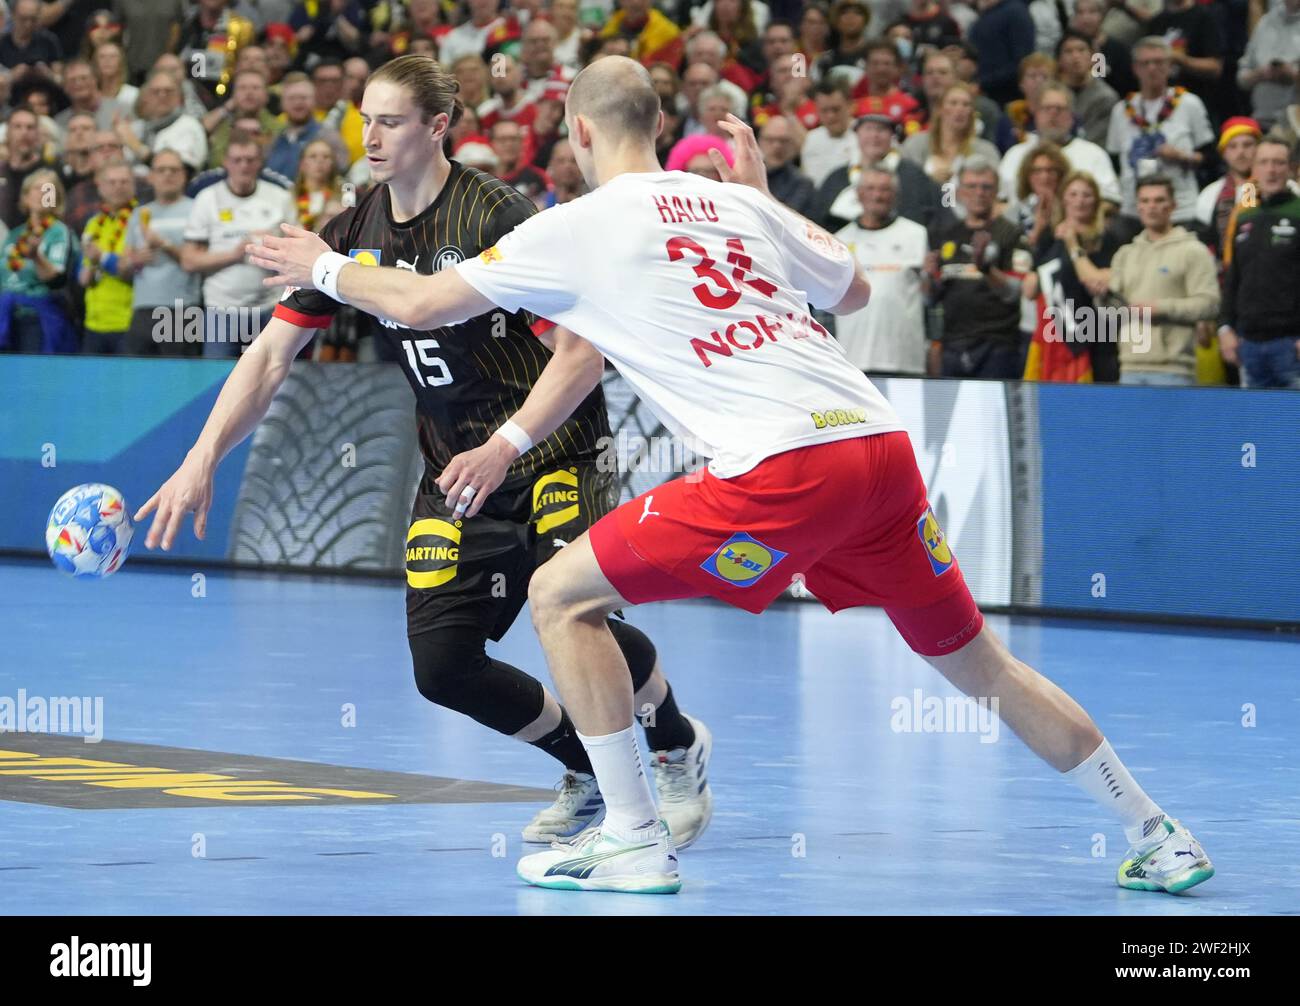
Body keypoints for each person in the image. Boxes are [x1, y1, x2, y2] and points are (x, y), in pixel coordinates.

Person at [251, 57, 1216, 898]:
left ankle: (633, 837)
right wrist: (761, 192)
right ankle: (1155, 833)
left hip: (784, 464)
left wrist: (326, 266)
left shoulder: (580, 224)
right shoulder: (740, 202)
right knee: (982, 667)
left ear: (581, 132)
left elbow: (421, 299)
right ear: (663, 129)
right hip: (879, 449)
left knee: (559, 594)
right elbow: (854, 288)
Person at [140, 55, 714, 850]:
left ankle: (674, 743)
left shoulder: (495, 215)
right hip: (454, 464)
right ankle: (583, 764)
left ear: (437, 127)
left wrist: (509, 443)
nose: (369, 137)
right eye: (363, 120)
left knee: (575, 610)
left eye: (390, 121)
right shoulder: (352, 232)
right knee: (442, 667)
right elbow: (269, 358)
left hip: (558, 448)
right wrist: (202, 456)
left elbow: (582, 357)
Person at [1107, 175, 1220, 385]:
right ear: (1137, 207)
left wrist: (1160, 308)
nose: (1151, 207)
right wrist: (1102, 297)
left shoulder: (1193, 251)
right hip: (1129, 365)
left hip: (1175, 368)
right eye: (1145, 201)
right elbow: (1112, 310)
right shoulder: (1125, 254)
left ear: (1173, 206)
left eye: (1159, 200)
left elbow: (1209, 304)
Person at [1219, 137, 1300, 388]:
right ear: (1254, 168)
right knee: (1255, 425)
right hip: (1248, 344)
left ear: (1290, 169)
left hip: (1291, 344)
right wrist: (1225, 328)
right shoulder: (1244, 215)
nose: (1271, 169)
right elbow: (1233, 277)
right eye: (1264, 162)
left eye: (1278, 162)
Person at [834, 164, 929, 373]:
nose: (877, 196)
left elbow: (930, 297)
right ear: (858, 194)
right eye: (870, 189)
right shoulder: (839, 241)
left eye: (884, 189)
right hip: (853, 359)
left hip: (905, 359)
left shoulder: (917, 235)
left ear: (896, 195)